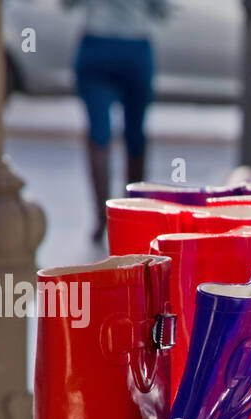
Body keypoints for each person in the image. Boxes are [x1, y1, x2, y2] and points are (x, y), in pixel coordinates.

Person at [67, 0, 170, 242]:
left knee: (98, 133)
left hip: (96, 46)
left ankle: (101, 218)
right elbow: (162, 10)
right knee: (135, 133)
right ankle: (131, 217)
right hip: (135, 48)